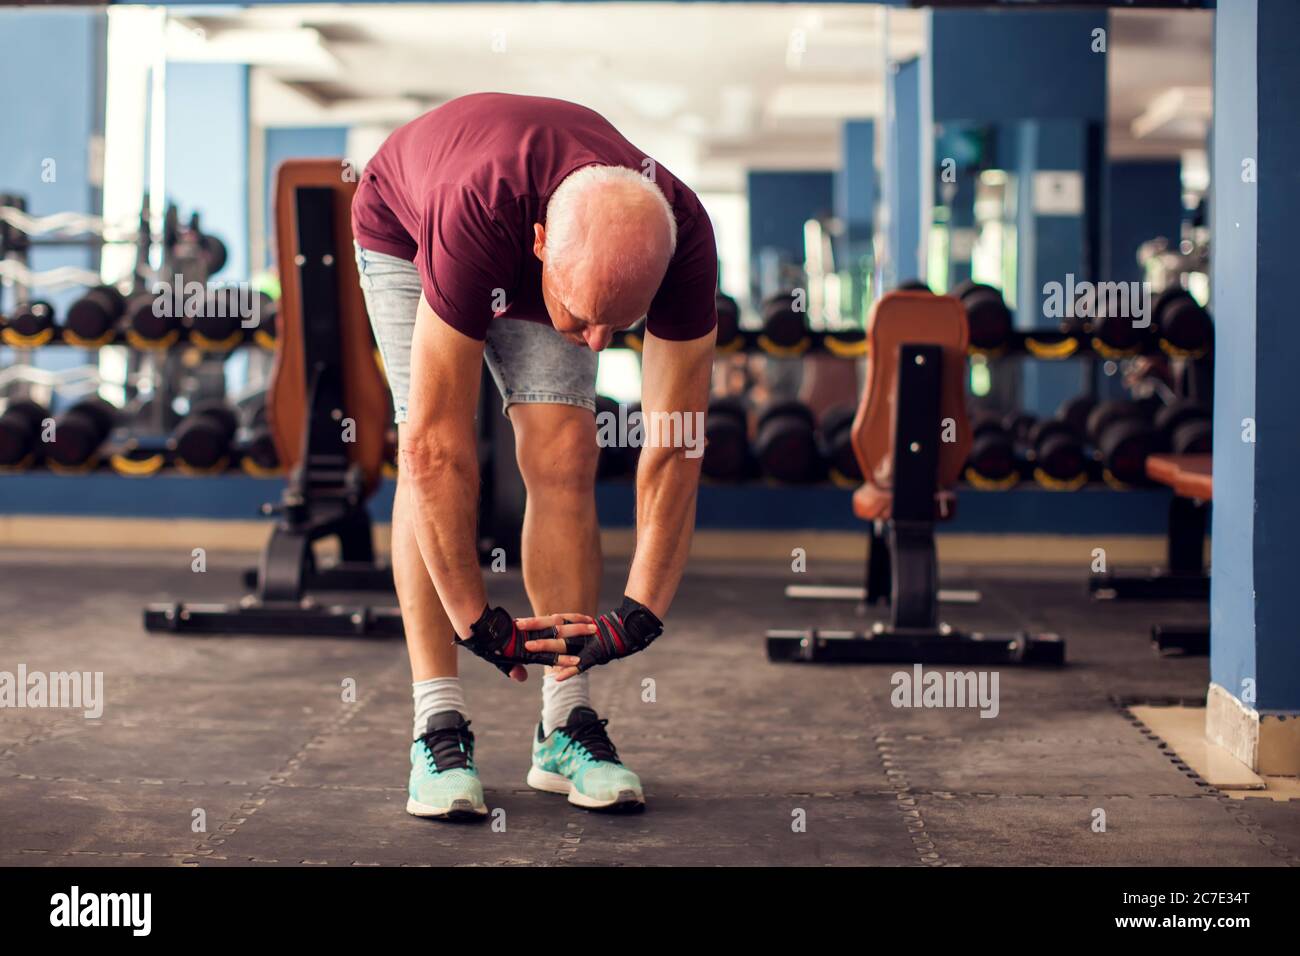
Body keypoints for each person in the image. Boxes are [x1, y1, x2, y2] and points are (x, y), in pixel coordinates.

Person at [351, 93, 717, 818]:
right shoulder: (473, 212)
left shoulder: (685, 239)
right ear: (542, 243)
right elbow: (435, 446)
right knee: (422, 451)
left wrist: (643, 611)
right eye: (584, 318)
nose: (597, 342)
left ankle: (564, 722)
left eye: (621, 325)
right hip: (407, 224)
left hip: (552, 237)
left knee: (566, 451)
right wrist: (474, 617)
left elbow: (677, 442)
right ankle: (438, 723)